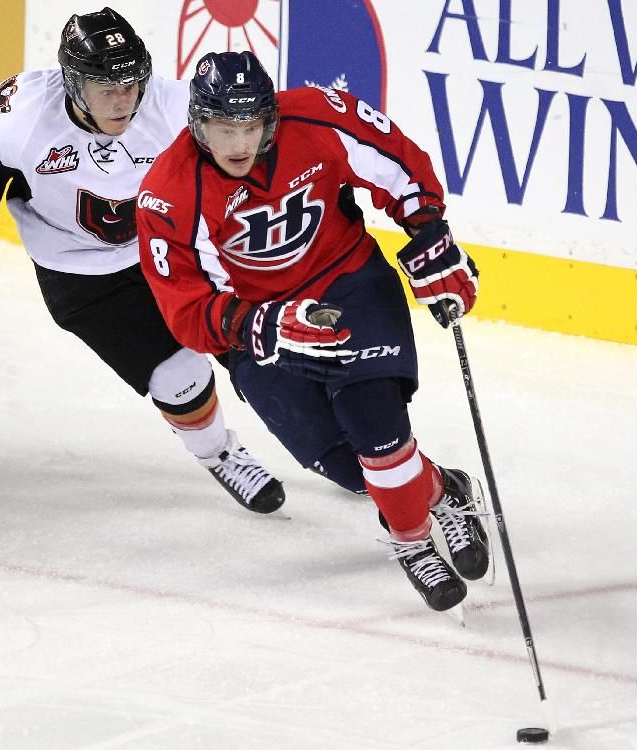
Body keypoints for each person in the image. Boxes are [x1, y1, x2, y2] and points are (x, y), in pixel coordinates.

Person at [135, 50, 490, 612]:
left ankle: (411, 541)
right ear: (198, 125)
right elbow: (186, 308)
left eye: (251, 126)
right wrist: (259, 323)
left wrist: (428, 233)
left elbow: (398, 162)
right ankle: (444, 489)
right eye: (224, 129)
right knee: (354, 471)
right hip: (259, 327)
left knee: (377, 429)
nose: (239, 144)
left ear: (270, 118)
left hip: (348, 286)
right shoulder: (169, 192)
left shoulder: (318, 115)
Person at [0, 9, 284, 513]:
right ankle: (220, 454)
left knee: (259, 343)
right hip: (80, 272)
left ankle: (343, 447)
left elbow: (244, 154)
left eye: (130, 84)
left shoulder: (172, 106)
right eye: (106, 89)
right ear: (73, 85)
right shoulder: (25, 110)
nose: (123, 100)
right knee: (178, 375)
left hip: (167, 247)